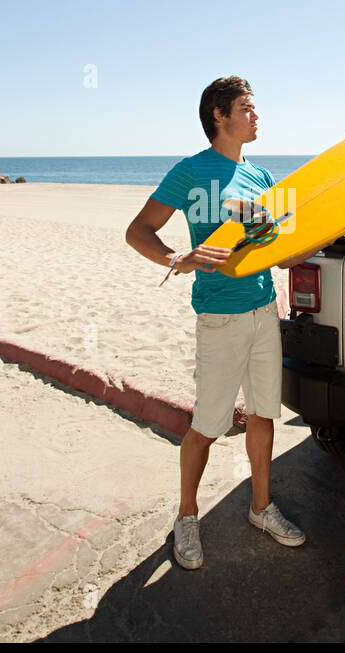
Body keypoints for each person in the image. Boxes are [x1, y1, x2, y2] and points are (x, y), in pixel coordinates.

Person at [125, 76, 315, 570]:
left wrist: (325, 237)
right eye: (247, 108)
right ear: (219, 116)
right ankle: (186, 516)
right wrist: (177, 258)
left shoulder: (263, 178)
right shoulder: (191, 172)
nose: (256, 116)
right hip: (218, 316)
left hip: (262, 308)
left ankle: (261, 507)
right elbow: (138, 231)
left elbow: (282, 249)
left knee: (262, 415)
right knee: (207, 425)